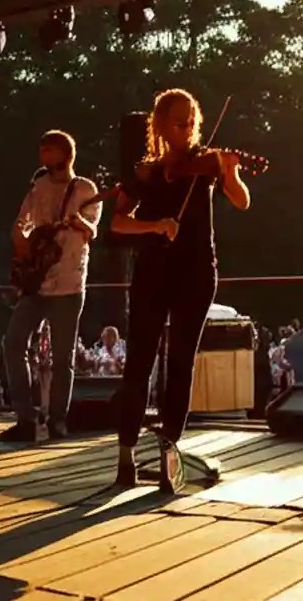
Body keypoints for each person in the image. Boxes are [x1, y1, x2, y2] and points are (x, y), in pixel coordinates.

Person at [111, 88, 251, 492]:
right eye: (179, 122)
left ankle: (170, 452)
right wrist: (155, 226)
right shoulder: (145, 171)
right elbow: (118, 223)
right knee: (139, 359)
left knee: (182, 362)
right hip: (154, 269)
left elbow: (241, 201)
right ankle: (126, 455)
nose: (187, 130)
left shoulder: (206, 163)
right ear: (159, 124)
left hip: (196, 270)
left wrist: (230, 171)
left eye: (192, 122)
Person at [0, 130, 100, 442]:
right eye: (42, 149)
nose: (43, 155)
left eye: (49, 150)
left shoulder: (85, 188)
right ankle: (25, 418)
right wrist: (24, 245)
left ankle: (57, 421)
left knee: (62, 358)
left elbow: (92, 230)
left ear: (64, 154)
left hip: (69, 282)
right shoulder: (38, 186)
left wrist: (77, 221)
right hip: (37, 282)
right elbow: (23, 223)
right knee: (13, 343)